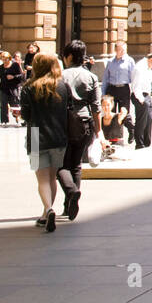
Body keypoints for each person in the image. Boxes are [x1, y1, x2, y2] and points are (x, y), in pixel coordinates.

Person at [19, 53, 67, 232]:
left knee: (42, 179)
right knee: (52, 177)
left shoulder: (29, 87)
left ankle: (48, 209)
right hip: (59, 136)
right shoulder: (62, 86)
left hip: (36, 136)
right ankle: (46, 213)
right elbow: (68, 110)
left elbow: (25, 115)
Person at [58, 40, 100, 223]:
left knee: (61, 164)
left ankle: (70, 195)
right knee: (76, 164)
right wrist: (99, 132)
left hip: (64, 123)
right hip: (85, 123)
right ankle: (70, 203)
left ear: (68, 57)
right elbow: (96, 107)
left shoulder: (60, 75)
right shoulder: (91, 77)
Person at [101, 40, 136, 144]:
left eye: (124, 50)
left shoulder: (130, 61)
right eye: (121, 50)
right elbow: (105, 78)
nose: (123, 52)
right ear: (116, 50)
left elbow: (134, 77)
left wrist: (134, 91)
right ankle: (113, 135)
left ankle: (131, 130)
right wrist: (103, 93)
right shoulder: (110, 62)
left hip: (123, 89)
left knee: (124, 112)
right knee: (109, 112)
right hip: (112, 88)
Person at [130, 52, 152, 149]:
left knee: (149, 119)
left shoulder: (148, 67)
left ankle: (146, 142)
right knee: (141, 120)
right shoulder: (139, 68)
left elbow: (149, 79)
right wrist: (141, 99)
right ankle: (139, 143)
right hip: (140, 95)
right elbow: (136, 85)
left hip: (146, 95)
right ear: (151, 60)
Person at [0, 50, 25, 126]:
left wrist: (13, 77)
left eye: (6, 59)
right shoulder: (0, 68)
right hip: (4, 88)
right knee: (3, 105)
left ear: (9, 58)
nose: (5, 61)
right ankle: (4, 121)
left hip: (14, 88)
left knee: (15, 104)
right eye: (3, 59)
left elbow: (22, 76)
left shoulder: (15, 65)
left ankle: (18, 118)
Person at [98, 95, 127, 159]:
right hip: (105, 148)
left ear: (112, 105)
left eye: (108, 105)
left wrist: (123, 109)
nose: (106, 107)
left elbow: (124, 112)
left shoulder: (117, 117)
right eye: (104, 105)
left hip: (117, 147)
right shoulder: (100, 120)